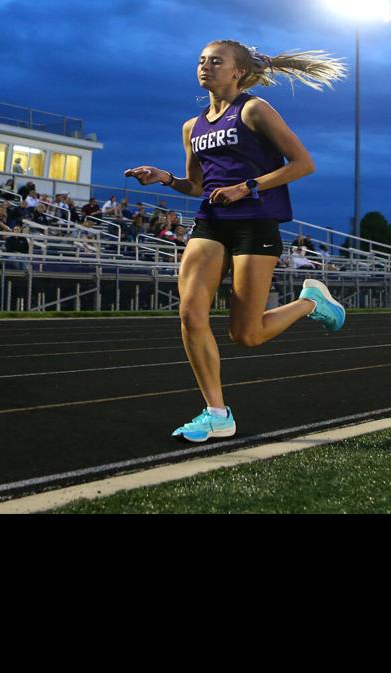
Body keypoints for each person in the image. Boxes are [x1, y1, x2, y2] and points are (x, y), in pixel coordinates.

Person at [125, 40, 348, 442]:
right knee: (191, 314)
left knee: (246, 335)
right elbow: (196, 185)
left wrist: (246, 187)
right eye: (201, 60)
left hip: (255, 223)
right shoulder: (192, 127)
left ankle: (311, 301)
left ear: (238, 72)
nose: (205, 66)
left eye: (216, 61)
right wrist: (166, 179)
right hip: (211, 222)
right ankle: (216, 413)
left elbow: (304, 164)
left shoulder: (254, 110)